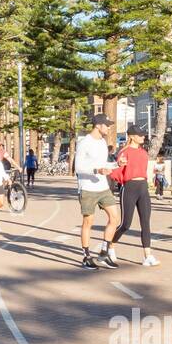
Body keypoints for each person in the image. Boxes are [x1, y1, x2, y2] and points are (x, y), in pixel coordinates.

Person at [75, 114, 120, 270]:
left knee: (114, 218)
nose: (108, 127)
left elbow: (104, 164)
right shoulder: (84, 143)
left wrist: (116, 164)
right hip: (88, 188)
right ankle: (86, 257)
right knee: (88, 222)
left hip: (103, 188)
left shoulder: (102, 142)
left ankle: (104, 253)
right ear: (98, 126)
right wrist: (97, 170)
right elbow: (78, 167)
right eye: (106, 125)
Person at [110, 126, 159, 266]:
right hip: (129, 188)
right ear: (132, 136)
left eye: (143, 135)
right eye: (140, 135)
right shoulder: (124, 152)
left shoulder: (143, 152)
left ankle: (147, 256)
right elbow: (116, 172)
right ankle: (111, 245)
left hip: (143, 187)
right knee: (126, 224)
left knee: (145, 223)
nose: (143, 137)